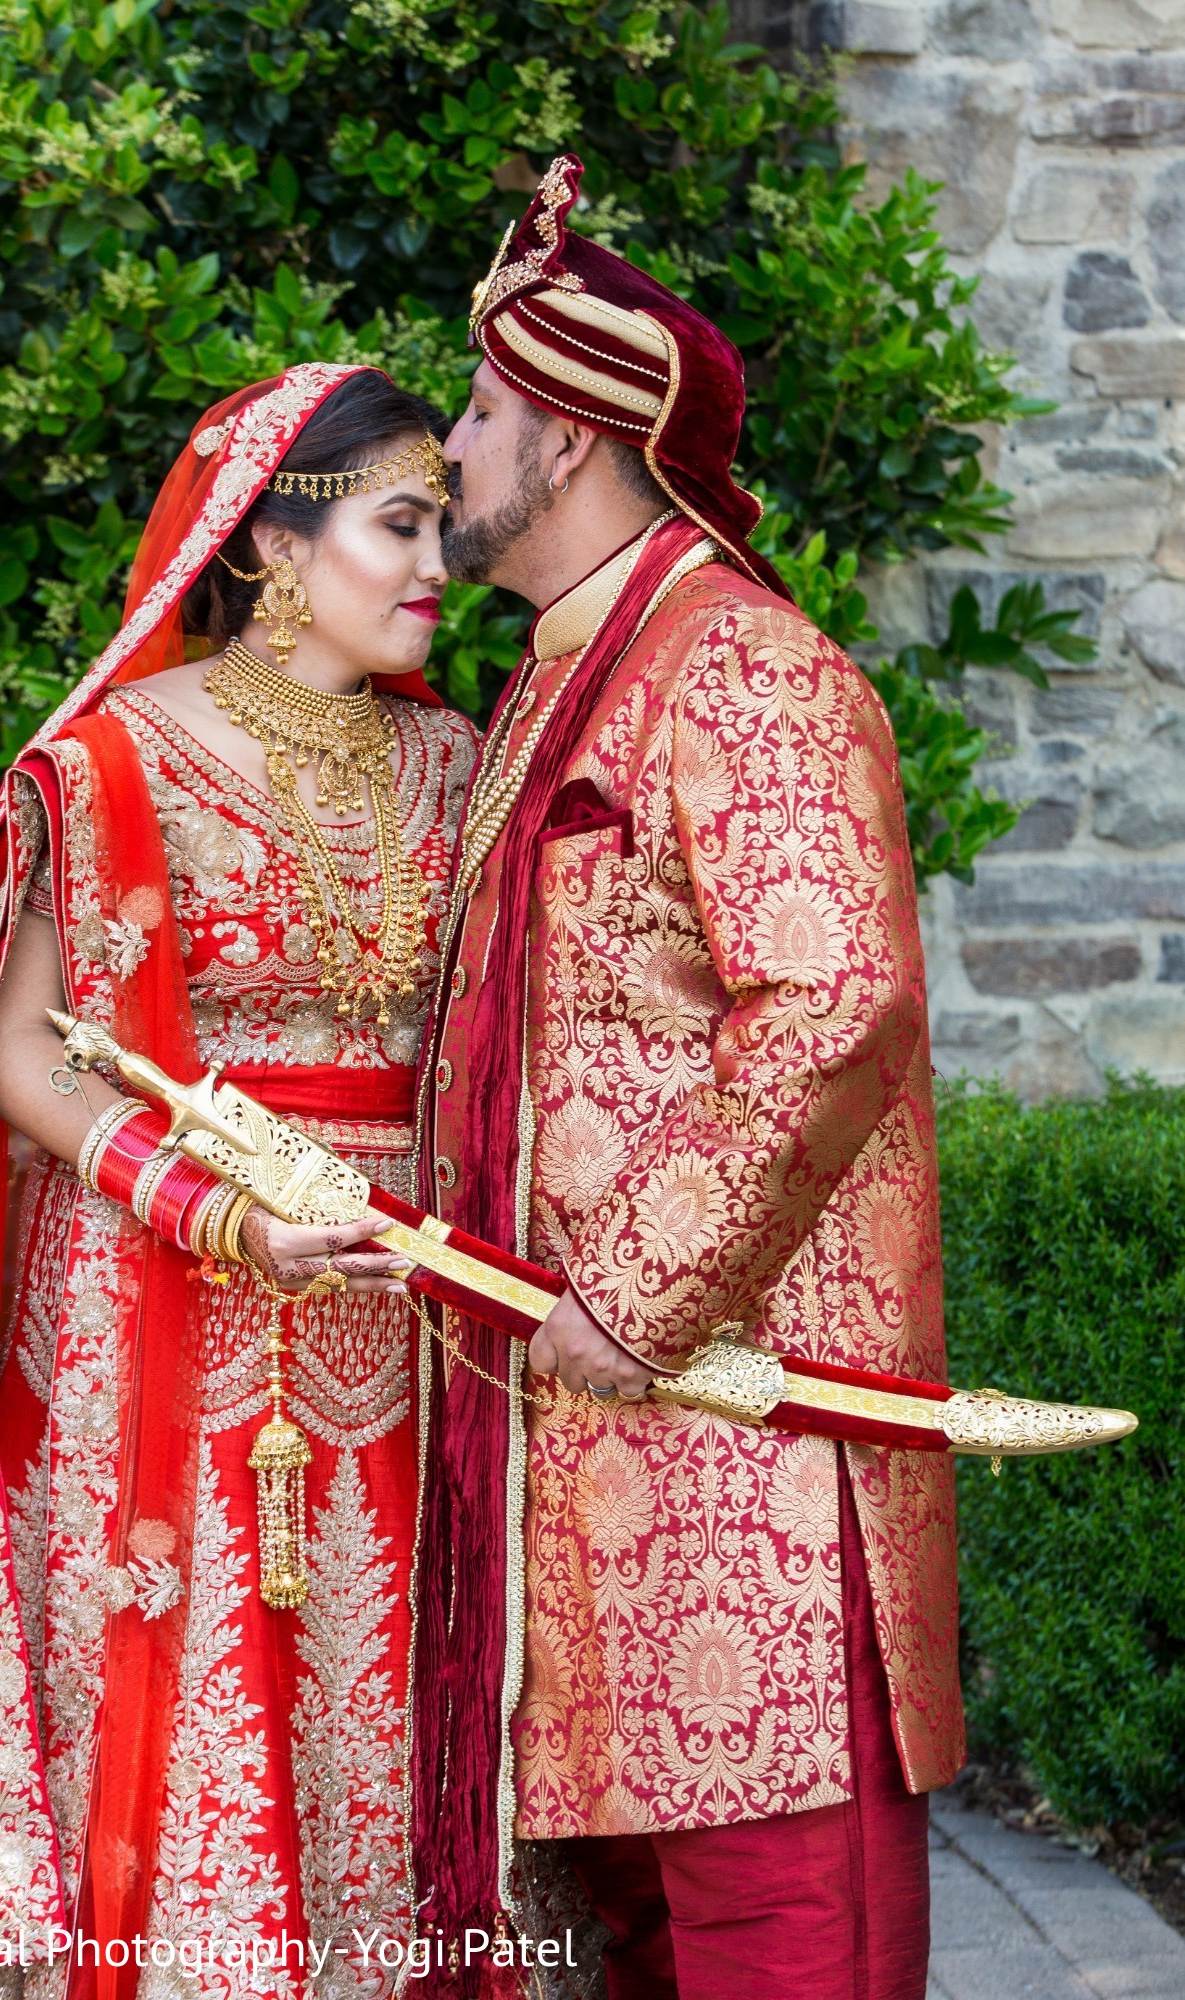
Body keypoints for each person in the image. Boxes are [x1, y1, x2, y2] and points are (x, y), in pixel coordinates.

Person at [0, 363, 478, 1998]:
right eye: (401, 528)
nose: (434, 572)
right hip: (173, 1296)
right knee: (191, 1672)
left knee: (391, 1671)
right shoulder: (112, 763)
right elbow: (23, 1054)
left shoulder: (464, 765)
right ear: (274, 546)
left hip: (411, 1302)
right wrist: (220, 1210)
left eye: (444, 534)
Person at [409, 157, 963, 2000]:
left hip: (749, 1463)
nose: (451, 462)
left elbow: (834, 1003)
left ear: (573, 437)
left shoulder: (737, 667)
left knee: (785, 1953)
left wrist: (635, 1293)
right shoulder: (555, 684)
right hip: (579, 1471)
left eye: (480, 416)